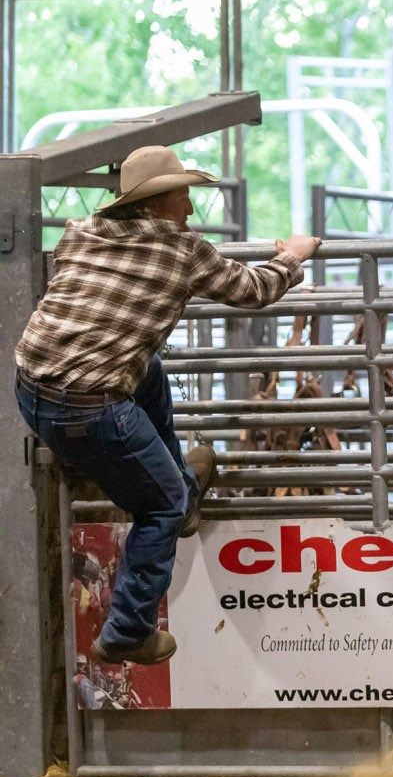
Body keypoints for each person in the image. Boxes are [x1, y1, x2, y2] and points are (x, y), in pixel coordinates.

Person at [14, 145, 320, 665]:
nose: (190, 208)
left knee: (149, 368)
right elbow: (253, 289)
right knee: (162, 505)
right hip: (90, 411)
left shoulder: (80, 232)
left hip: (30, 390)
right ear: (157, 204)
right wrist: (292, 255)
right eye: (182, 197)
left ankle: (178, 480)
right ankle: (128, 630)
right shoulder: (181, 249)